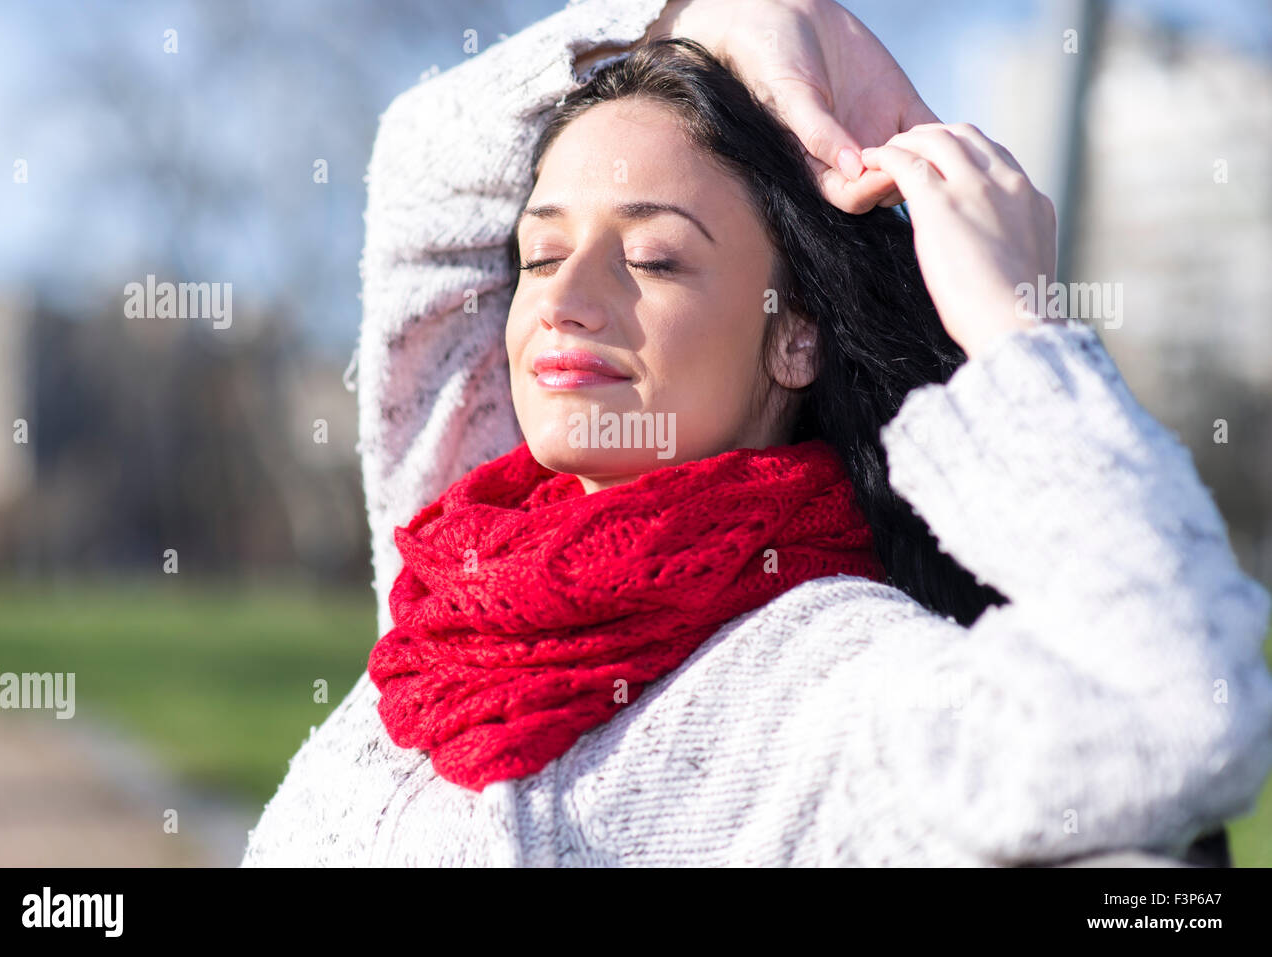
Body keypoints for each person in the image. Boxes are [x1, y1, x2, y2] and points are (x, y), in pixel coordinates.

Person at [240, 0, 1272, 867]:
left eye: (651, 258)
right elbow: (427, 163)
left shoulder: (829, 686)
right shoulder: (453, 587)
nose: (564, 302)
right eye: (541, 256)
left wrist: (1014, 330)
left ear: (795, 341)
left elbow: (1167, 699)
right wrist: (708, 16)